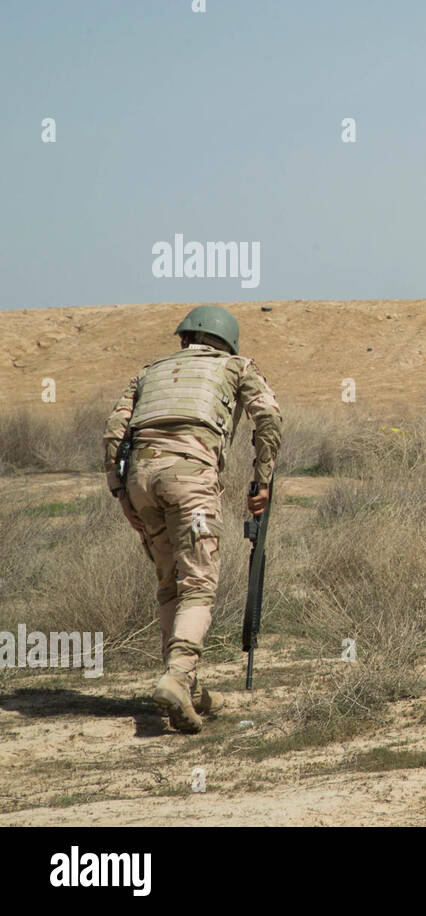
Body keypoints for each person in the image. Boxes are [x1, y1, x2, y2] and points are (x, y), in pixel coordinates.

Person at [103, 305, 281, 733]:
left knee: (170, 585)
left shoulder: (149, 372)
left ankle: (187, 685)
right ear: (226, 341)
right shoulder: (236, 366)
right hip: (190, 478)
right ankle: (179, 677)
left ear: (185, 338)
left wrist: (120, 491)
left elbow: (114, 430)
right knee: (199, 584)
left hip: (141, 481)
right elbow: (269, 418)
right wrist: (262, 482)